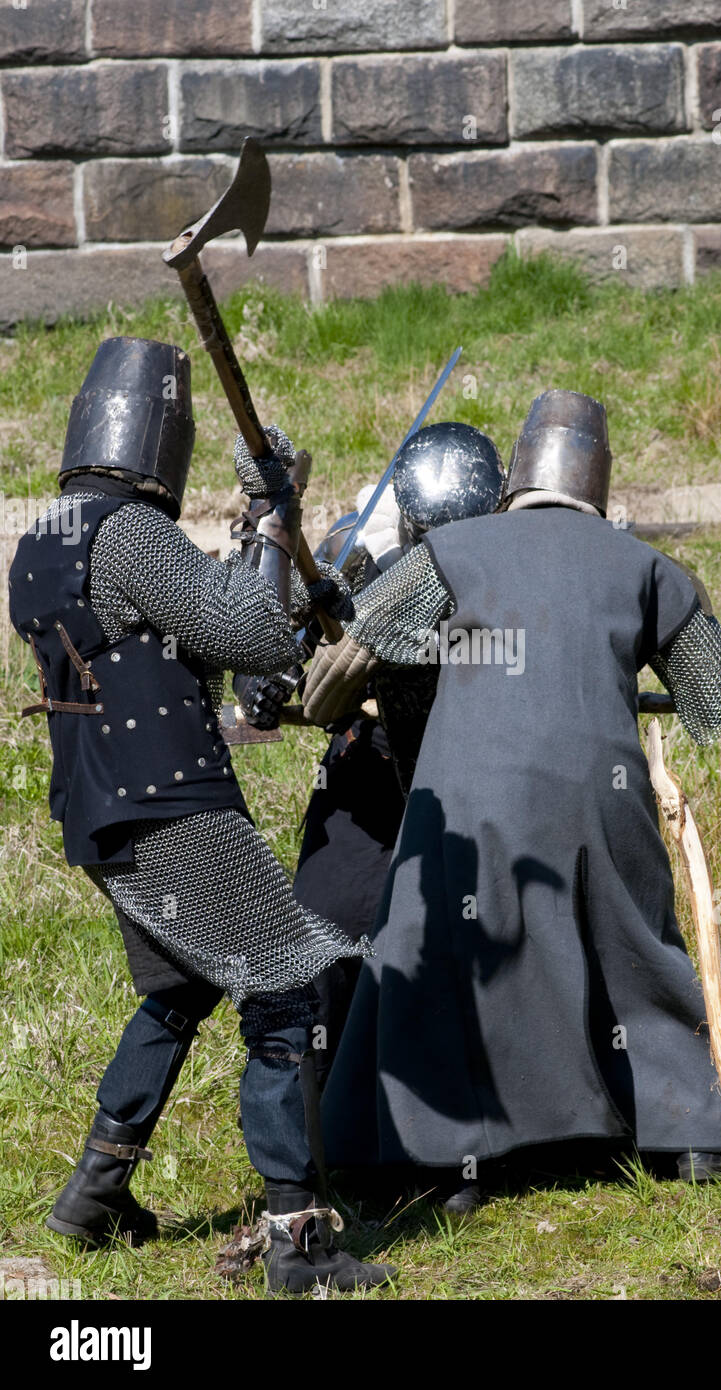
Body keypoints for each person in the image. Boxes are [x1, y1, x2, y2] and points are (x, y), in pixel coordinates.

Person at [304, 389, 721, 1212]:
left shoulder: (452, 548)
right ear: (599, 484)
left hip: (468, 794)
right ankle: (693, 1133)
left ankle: (442, 1158)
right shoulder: (644, 564)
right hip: (603, 799)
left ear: (514, 473)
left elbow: (341, 675)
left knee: (432, 946)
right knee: (634, 943)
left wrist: (328, 695)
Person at [7, 336, 393, 1292]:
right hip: (174, 807)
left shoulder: (44, 538)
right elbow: (251, 628)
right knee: (285, 993)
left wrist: (258, 597)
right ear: (160, 438)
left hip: (99, 810)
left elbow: (162, 648)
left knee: (182, 990)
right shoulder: (132, 535)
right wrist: (270, 522)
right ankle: (296, 1237)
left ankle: (94, 1195)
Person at [242, 424, 506, 1089]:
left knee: (477, 939)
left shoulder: (519, 567)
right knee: (326, 931)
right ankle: (319, 1104)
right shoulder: (354, 551)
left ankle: (470, 1112)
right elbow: (276, 639)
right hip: (371, 779)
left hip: (481, 782)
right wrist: (274, 673)